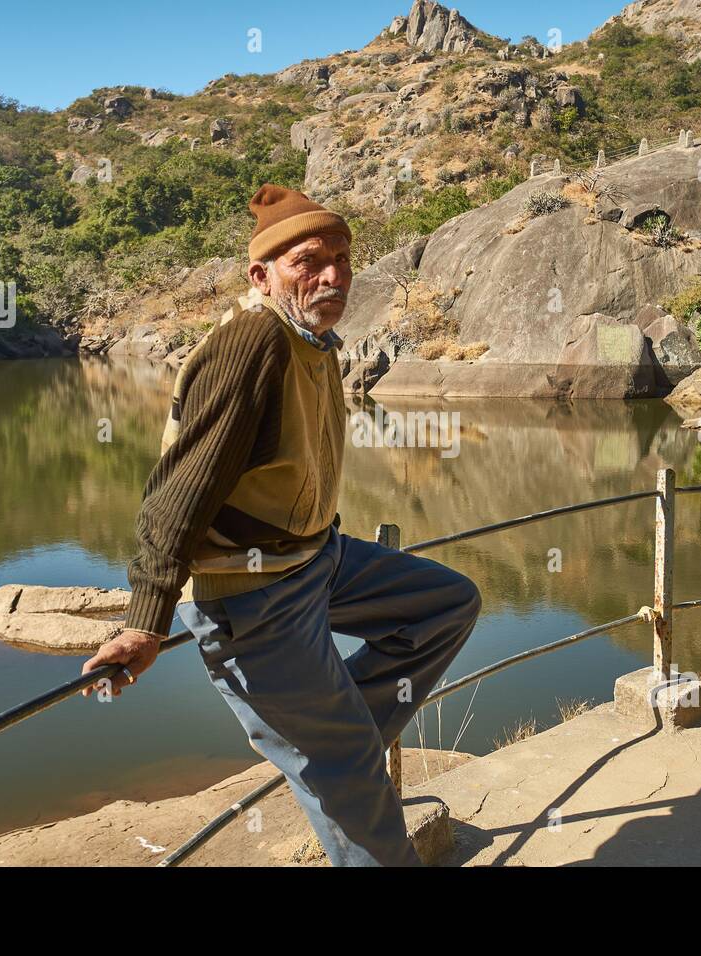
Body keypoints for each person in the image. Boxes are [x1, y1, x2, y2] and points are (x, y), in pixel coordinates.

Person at [80, 184, 481, 866]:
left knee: (446, 606)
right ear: (261, 276)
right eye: (309, 260)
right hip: (252, 594)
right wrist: (146, 620)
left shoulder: (315, 340)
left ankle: (326, 745)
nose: (333, 275)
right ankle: (334, 757)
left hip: (316, 561)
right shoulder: (255, 343)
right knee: (359, 788)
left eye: (344, 258)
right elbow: (175, 498)